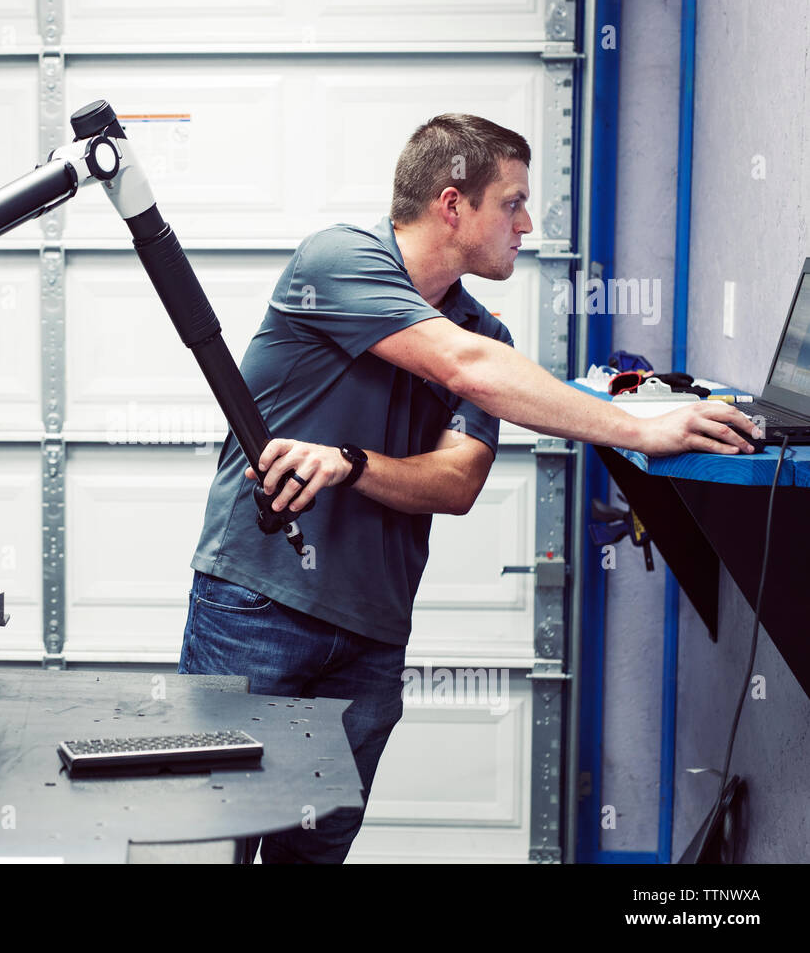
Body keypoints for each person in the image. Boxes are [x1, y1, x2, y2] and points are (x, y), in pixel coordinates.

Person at [179, 113, 760, 864]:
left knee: (313, 853)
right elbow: (461, 367)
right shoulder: (335, 261)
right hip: (257, 604)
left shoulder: (487, 335)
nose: (527, 225)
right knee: (204, 843)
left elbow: (457, 482)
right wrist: (643, 428)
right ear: (453, 205)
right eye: (512, 203)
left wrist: (351, 463)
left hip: (371, 630)